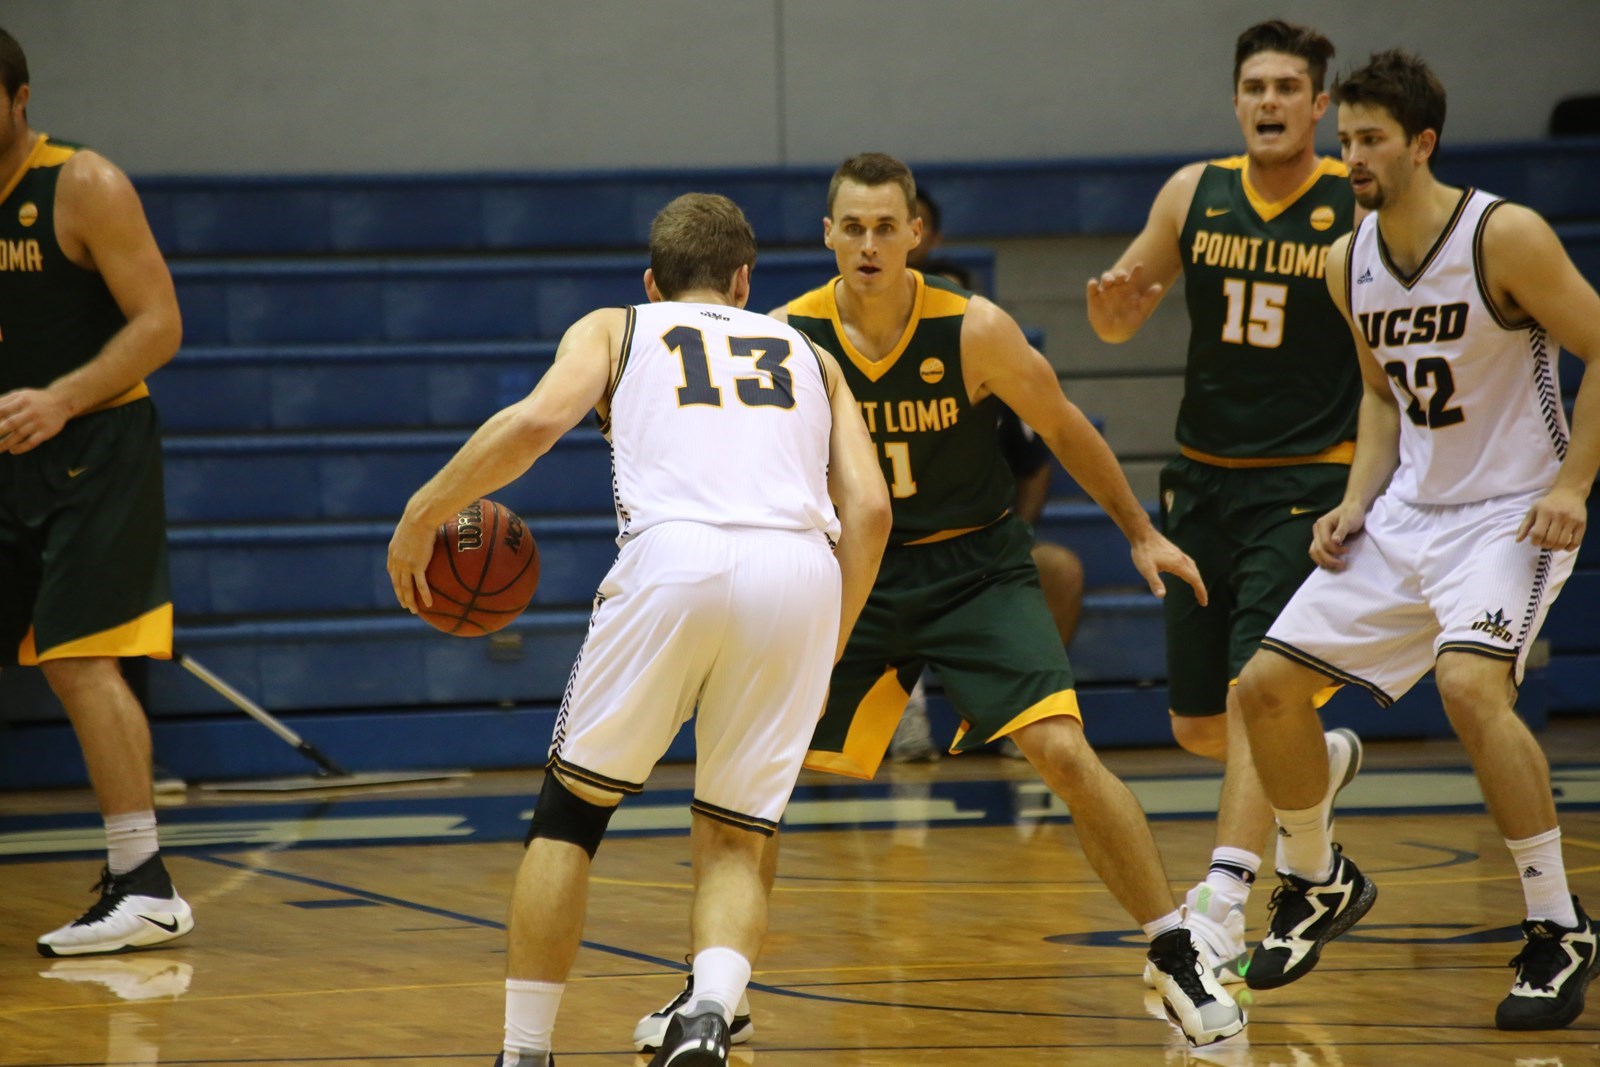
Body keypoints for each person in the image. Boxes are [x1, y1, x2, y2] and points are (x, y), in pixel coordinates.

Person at [638, 153, 1246, 1050]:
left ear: (916, 233)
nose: (871, 244)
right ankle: (717, 987)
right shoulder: (787, 337)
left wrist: (1137, 528)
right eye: (854, 227)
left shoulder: (974, 329)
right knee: (751, 776)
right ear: (827, 237)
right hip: (852, 574)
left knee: (1062, 749)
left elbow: (1066, 426)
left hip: (975, 570)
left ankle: (1174, 949)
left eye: (888, 226)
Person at [387, 192, 892, 1067]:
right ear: (744, 280)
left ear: (653, 282)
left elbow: (538, 421)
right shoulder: (813, 352)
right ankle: (707, 1012)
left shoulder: (619, 326)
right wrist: (832, 634)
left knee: (571, 815)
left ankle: (525, 1052)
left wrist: (425, 511)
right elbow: (873, 510)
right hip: (800, 573)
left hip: (675, 560)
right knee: (738, 834)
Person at [1234, 49, 1600, 1031]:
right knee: (1262, 688)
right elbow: (1378, 395)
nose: (1349, 155)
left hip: (1509, 510)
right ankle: (1314, 878)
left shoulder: (1502, 235)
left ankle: (1556, 925)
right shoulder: (1341, 259)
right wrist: (1355, 499)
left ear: (1420, 143)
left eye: (1368, 140)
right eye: (1344, 138)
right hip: (1406, 513)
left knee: (1470, 685)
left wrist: (1573, 481)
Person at [1085, 19, 1365, 982]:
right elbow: (1123, 309)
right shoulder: (1193, 192)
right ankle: (1317, 769)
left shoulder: (1352, 202)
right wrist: (1113, 312)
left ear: (1321, 107)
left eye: (1291, 87)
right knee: (1200, 724)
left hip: (1308, 481)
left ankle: (1225, 900)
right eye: (1256, 86)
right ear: (1236, 99)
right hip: (1202, 477)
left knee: (1255, 699)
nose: (1271, 102)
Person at [0, 27, 191, 958]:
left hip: (95, 445)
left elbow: (161, 324)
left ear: (20, 98)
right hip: (9, 451)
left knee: (79, 656)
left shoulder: (81, 185)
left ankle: (143, 881)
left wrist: (62, 398)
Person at [890, 185, 1085, 763]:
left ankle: (1017, 712)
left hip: (974, 548)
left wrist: (1017, 531)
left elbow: (1040, 458)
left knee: (1061, 571)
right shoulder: (856, 365)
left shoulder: (992, 367)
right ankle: (903, 712)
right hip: (887, 548)